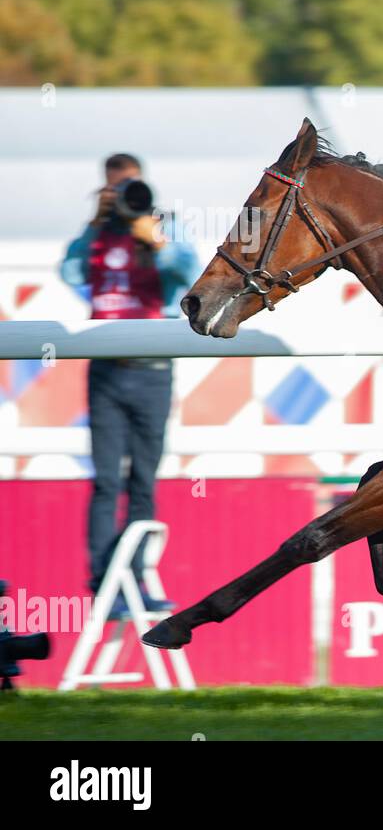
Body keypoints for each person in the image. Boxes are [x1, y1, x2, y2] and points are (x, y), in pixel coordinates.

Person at [61, 153, 200, 615]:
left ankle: (134, 577)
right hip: (106, 367)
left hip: (153, 370)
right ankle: (103, 579)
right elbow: (71, 272)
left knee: (143, 480)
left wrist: (156, 243)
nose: (125, 198)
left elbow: (190, 275)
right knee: (104, 481)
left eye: (132, 189)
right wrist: (93, 224)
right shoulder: (99, 233)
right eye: (116, 190)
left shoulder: (162, 226)